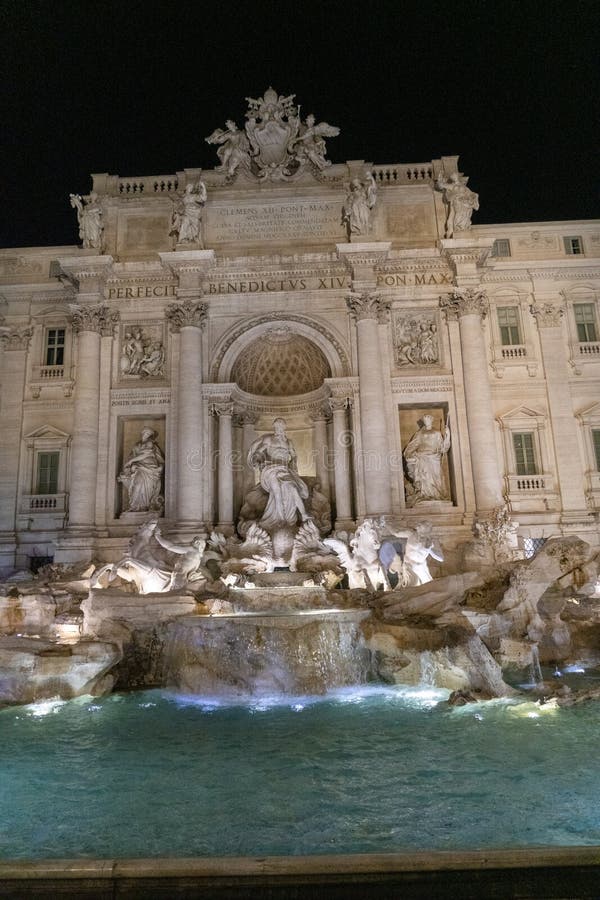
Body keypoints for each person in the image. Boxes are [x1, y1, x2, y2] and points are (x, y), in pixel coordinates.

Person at [247, 418, 310, 531]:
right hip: (271, 469)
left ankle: (304, 514)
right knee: (277, 492)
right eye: (277, 427)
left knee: (293, 488)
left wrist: (294, 463)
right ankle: (280, 520)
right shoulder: (269, 439)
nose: (279, 429)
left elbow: (294, 455)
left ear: (284, 428)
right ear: (274, 427)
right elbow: (258, 451)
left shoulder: (288, 442)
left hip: (285, 469)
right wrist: (258, 460)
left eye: (281, 426)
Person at [403, 415, 451, 505]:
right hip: (422, 458)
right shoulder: (419, 433)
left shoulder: (437, 433)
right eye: (425, 420)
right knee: (424, 478)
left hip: (434, 458)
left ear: (431, 421)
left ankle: (436, 495)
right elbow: (413, 445)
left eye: (428, 420)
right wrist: (409, 455)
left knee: (436, 478)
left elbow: (443, 448)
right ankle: (424, 495)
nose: (427, 421)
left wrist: (447, 436)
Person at [118, 428, 165, 513]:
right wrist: (131, 464)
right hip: (139, 468)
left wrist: (131, 461)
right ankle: (135, 506)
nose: (146, 435)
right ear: (142, 433)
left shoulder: (151, 444)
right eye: (145, 433)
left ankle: (144, 506)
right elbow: (132, 456)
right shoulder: (137, 445)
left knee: (145, 487)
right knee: (137, 484)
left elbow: (148, 455)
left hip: (150, 468)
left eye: (149, 434)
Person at [435, 173, 479, 237]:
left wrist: (472, 197)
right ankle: (458, 228)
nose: (454, 177)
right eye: (452, 176)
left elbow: (471, 194)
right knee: (458, 216)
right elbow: (440, 185)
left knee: (464, 216)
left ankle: (462, 228)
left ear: (457, 176)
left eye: (455, 175)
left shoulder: (464, 187)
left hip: (465, 204)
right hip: (458, 203)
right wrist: (440, 179)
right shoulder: (452, 186)